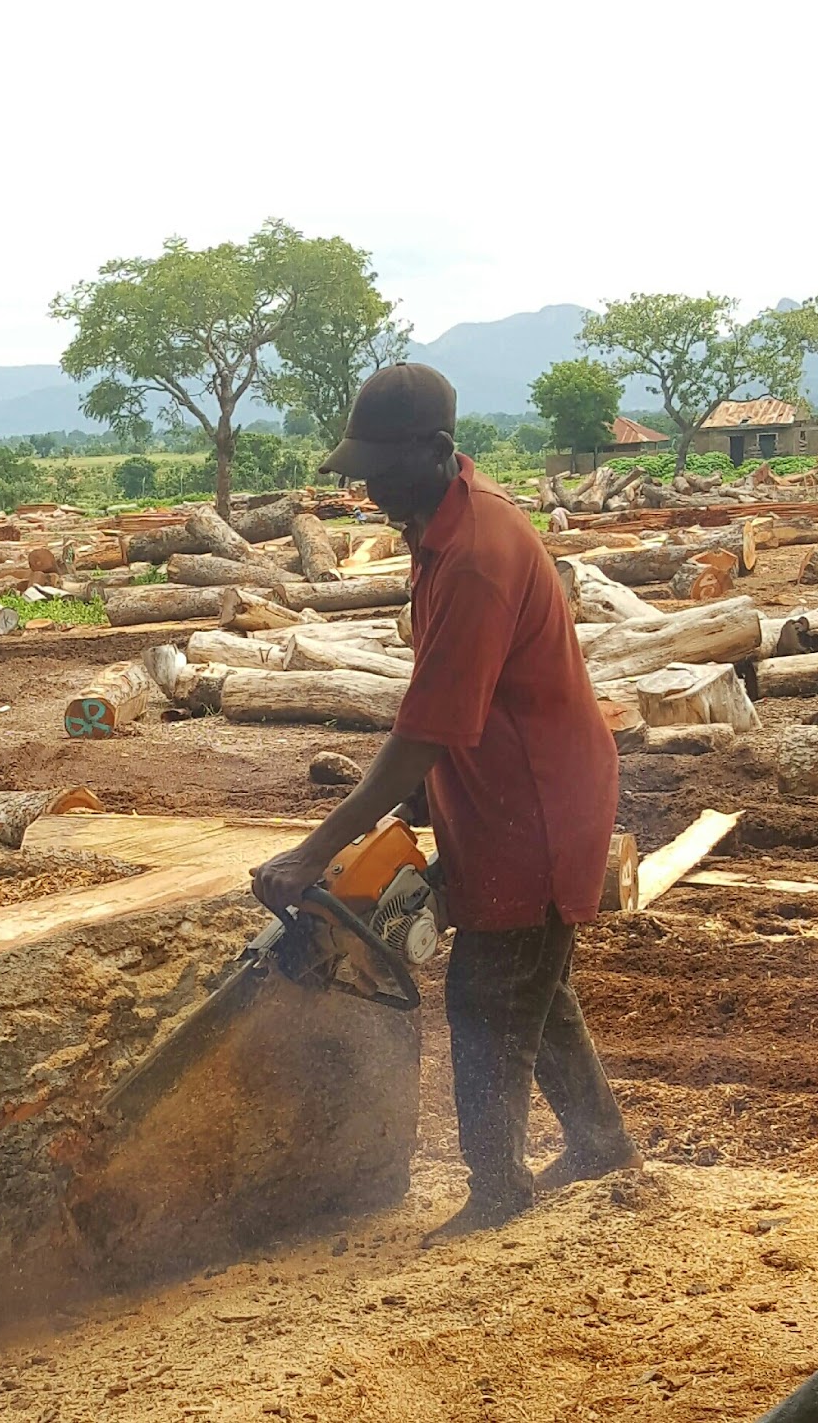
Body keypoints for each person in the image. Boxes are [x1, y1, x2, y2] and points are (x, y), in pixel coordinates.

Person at [251, 362, 639, 1243]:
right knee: (533, 981)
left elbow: (423, 732)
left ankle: (498, 1189)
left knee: (484, 999)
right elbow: (457, 708)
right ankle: (601, 1141)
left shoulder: (474, 557)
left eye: (382, 467)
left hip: (536, 805)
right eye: (361, 467)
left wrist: (315, 852)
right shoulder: (446, 519)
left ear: (435, 451)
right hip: (502, 786)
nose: (368, 485)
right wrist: (429, 801)